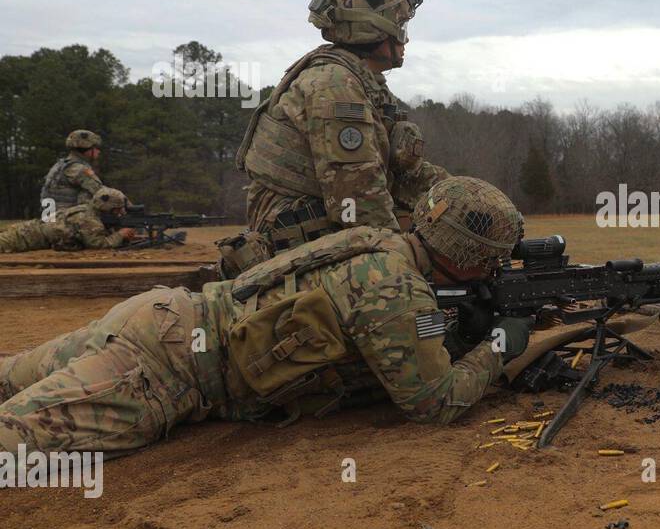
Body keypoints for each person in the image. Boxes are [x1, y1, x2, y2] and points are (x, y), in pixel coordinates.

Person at [0, 177, 532, 456]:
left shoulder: (379, 243)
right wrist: (502, 346)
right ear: (466, 256)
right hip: (163, 371)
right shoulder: (396, 288)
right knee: (11, 443)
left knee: (8, 377)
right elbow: (435, 404)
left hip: (159, 315)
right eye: (490, 257)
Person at [224, 0, 447, 276]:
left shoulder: (363, 82)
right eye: (400, 27)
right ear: (375, 31)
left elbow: (404, 171)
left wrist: (461, 196)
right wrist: (401, 267)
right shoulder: (335, 86)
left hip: (322, 220)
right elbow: (357, 200)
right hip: (296, 236)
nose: (404, 38)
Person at [0, 187, 136, 253]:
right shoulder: (89, 220)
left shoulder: (91, 212)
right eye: (117, 210)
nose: (120, 213)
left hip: (31, 231)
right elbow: (98, 244)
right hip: (26, 237)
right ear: (106, 207)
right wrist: (120, 235)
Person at [40, 130, 105, 210]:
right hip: (66, 217)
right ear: (86, 148)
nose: (98, 151)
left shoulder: (60, 164)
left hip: (50, 217)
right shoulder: (78, 168)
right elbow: (100, 192)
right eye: (96, 148)